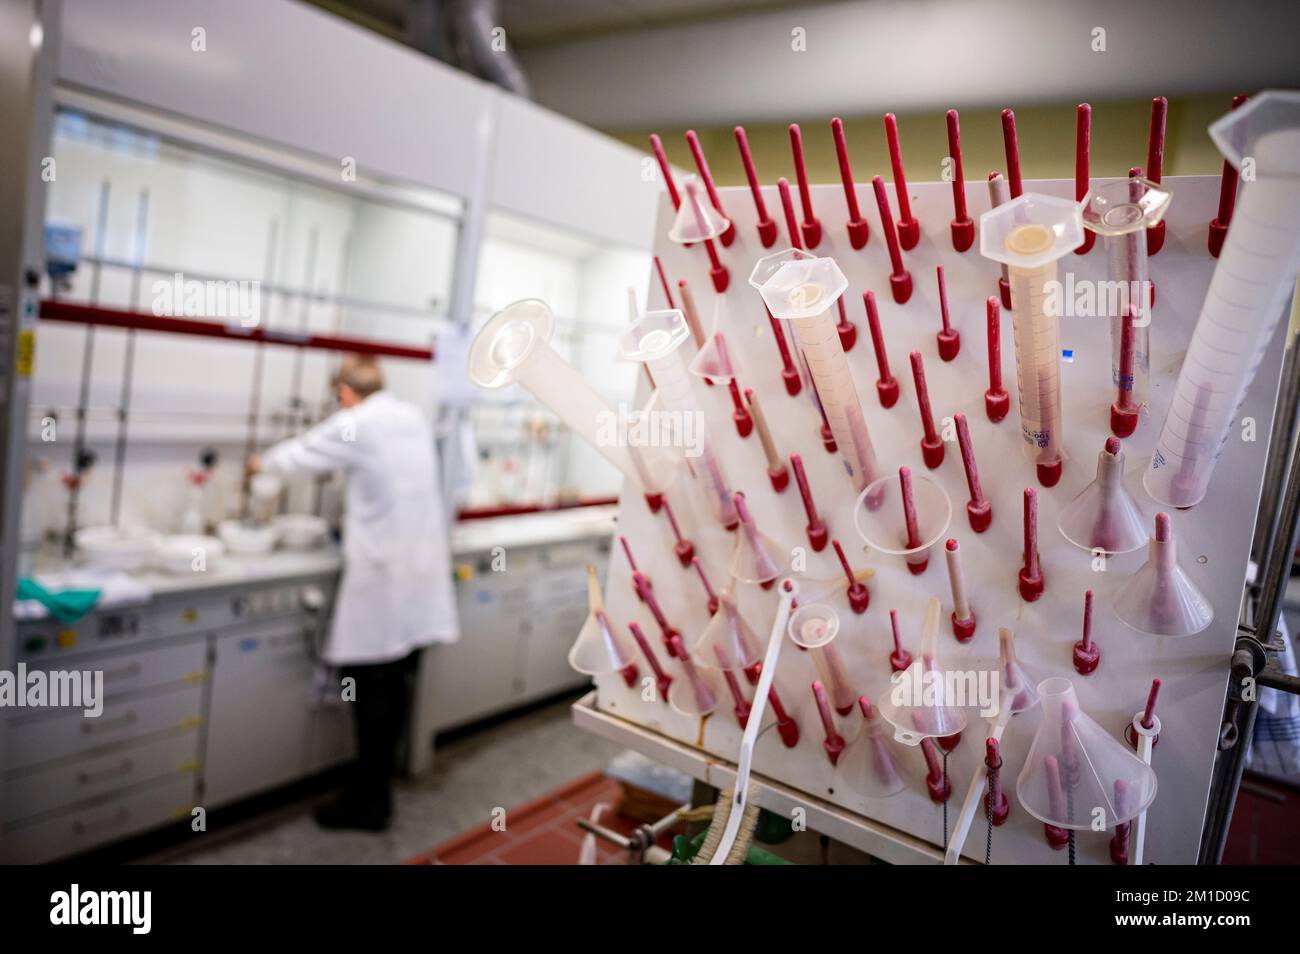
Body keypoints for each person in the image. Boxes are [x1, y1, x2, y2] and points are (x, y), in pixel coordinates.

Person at [249, 354, 457, 831]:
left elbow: (297, 455)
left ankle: (369, 802)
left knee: (369, 696)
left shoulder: (357, 423)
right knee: (395, 690)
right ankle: (377, 790)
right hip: (419, 575)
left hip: (384, 581)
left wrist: (260, 463)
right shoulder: (411, 417)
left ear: (343, 392)